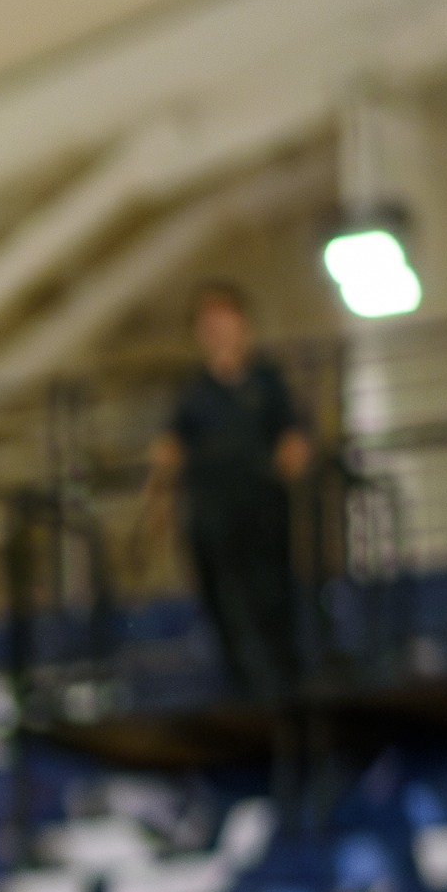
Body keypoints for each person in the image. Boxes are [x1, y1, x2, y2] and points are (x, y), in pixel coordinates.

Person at [139, 281, 313, 704]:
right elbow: (169, 450)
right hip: (213, 522)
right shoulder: (193, 394)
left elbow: (295, 437)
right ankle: (247, 691)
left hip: (262, 516)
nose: (215, 329)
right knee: (227, 611)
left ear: (243, 324)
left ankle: (287, 691)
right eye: (207, 322)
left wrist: (290, 460)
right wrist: (158, 503)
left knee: (271, 605)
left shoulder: (268, 381)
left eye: (223, 318)